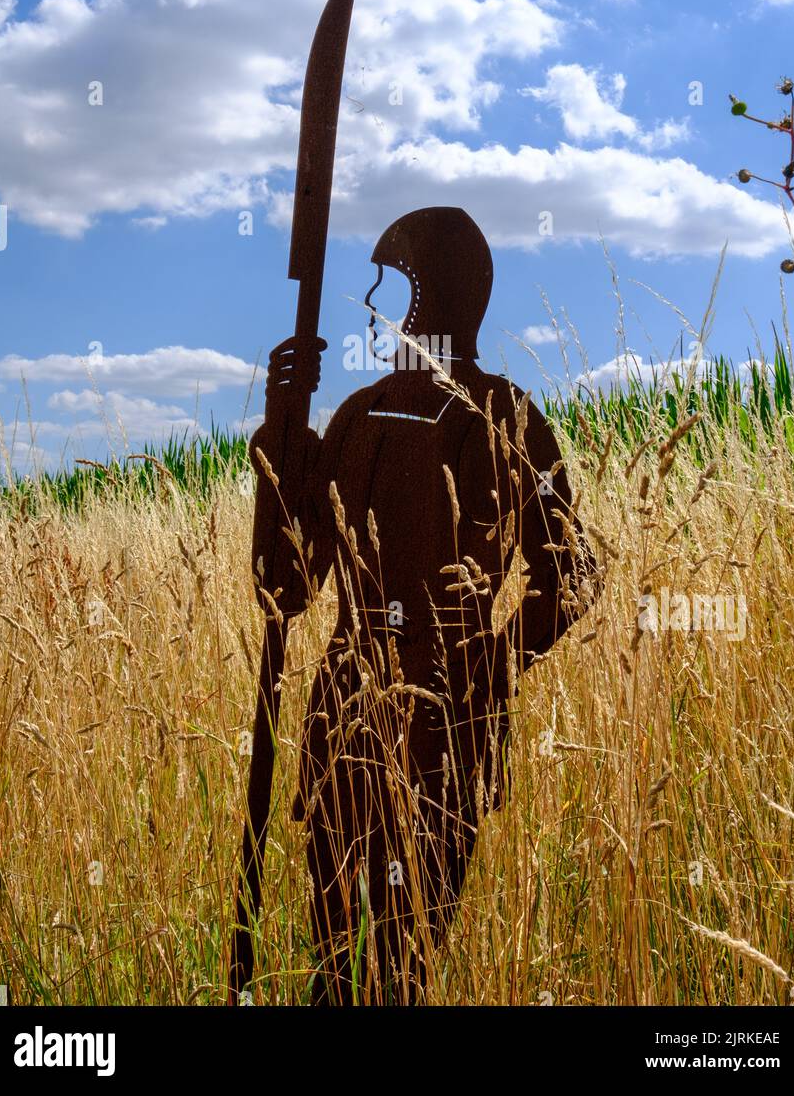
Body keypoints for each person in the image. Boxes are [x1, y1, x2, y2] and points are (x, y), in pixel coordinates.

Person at [250, 207, 598, 1003]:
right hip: (344, 716)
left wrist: (492, 667)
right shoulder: (356, 415)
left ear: (432, 294)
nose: (372, 300)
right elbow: (285, 587)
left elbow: (574, 569)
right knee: (333, 956)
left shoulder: (502, 417)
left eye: (391, 282)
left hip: (446, 728)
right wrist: (282, 430)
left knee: (403, 958)